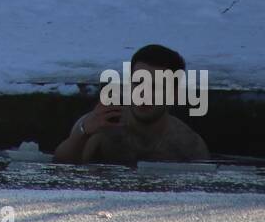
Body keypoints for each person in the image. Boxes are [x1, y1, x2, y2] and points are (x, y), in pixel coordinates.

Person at [53, 44, 210, 165]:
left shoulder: (187, 145)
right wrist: (83, 133)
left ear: (175, 94)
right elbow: (60, 168)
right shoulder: (102, 124)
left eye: (155, 87)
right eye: (138, 83)